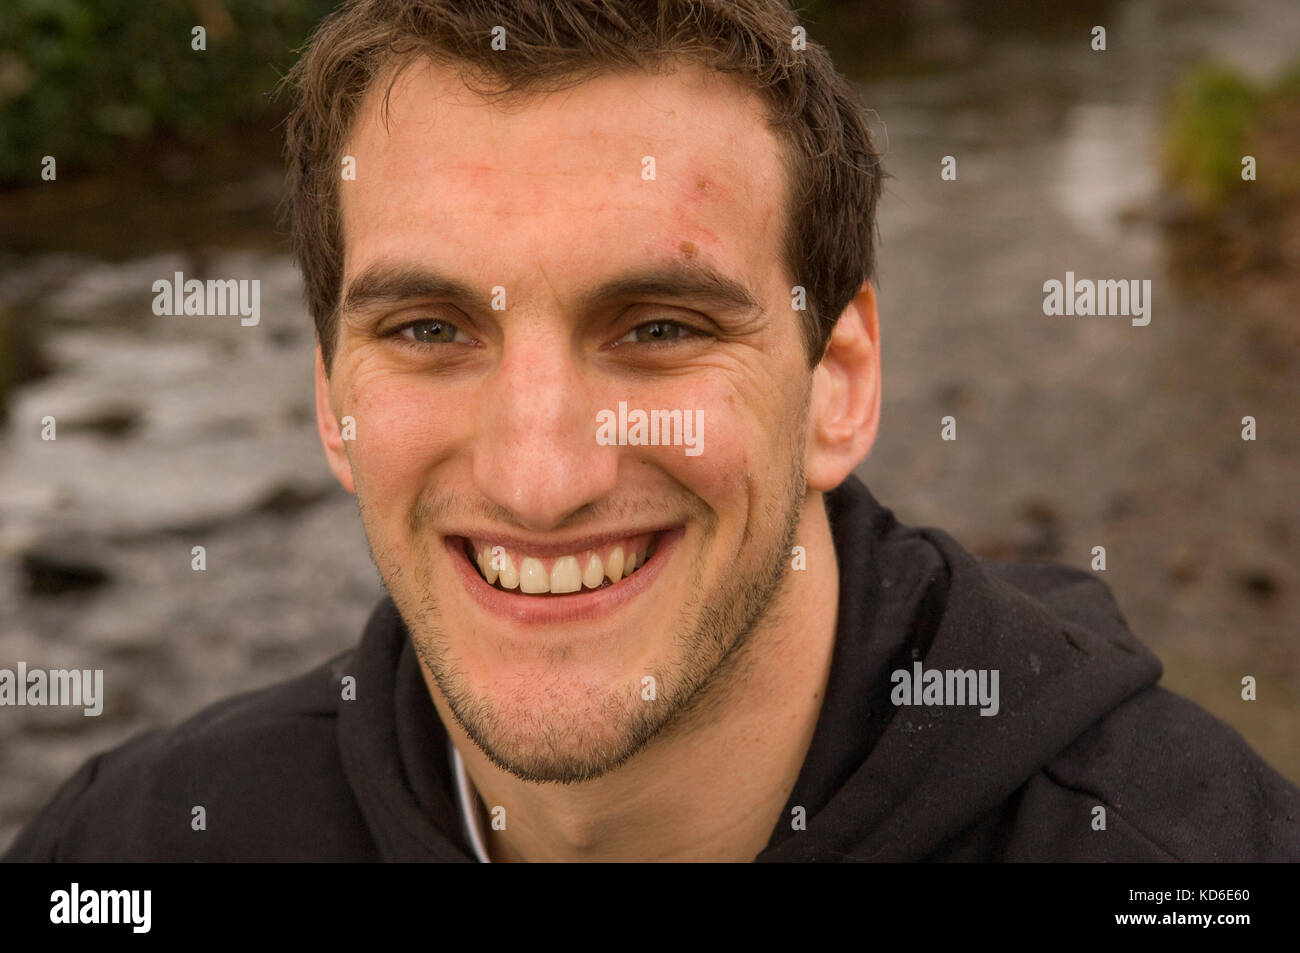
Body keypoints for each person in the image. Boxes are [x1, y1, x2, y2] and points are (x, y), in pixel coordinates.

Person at [6, 0, 1298, 863]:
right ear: (331, 402)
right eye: (429, 331)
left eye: (662, 326)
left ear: (838, 381)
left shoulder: (1193, 858)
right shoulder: (127, 850)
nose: (540, 475)